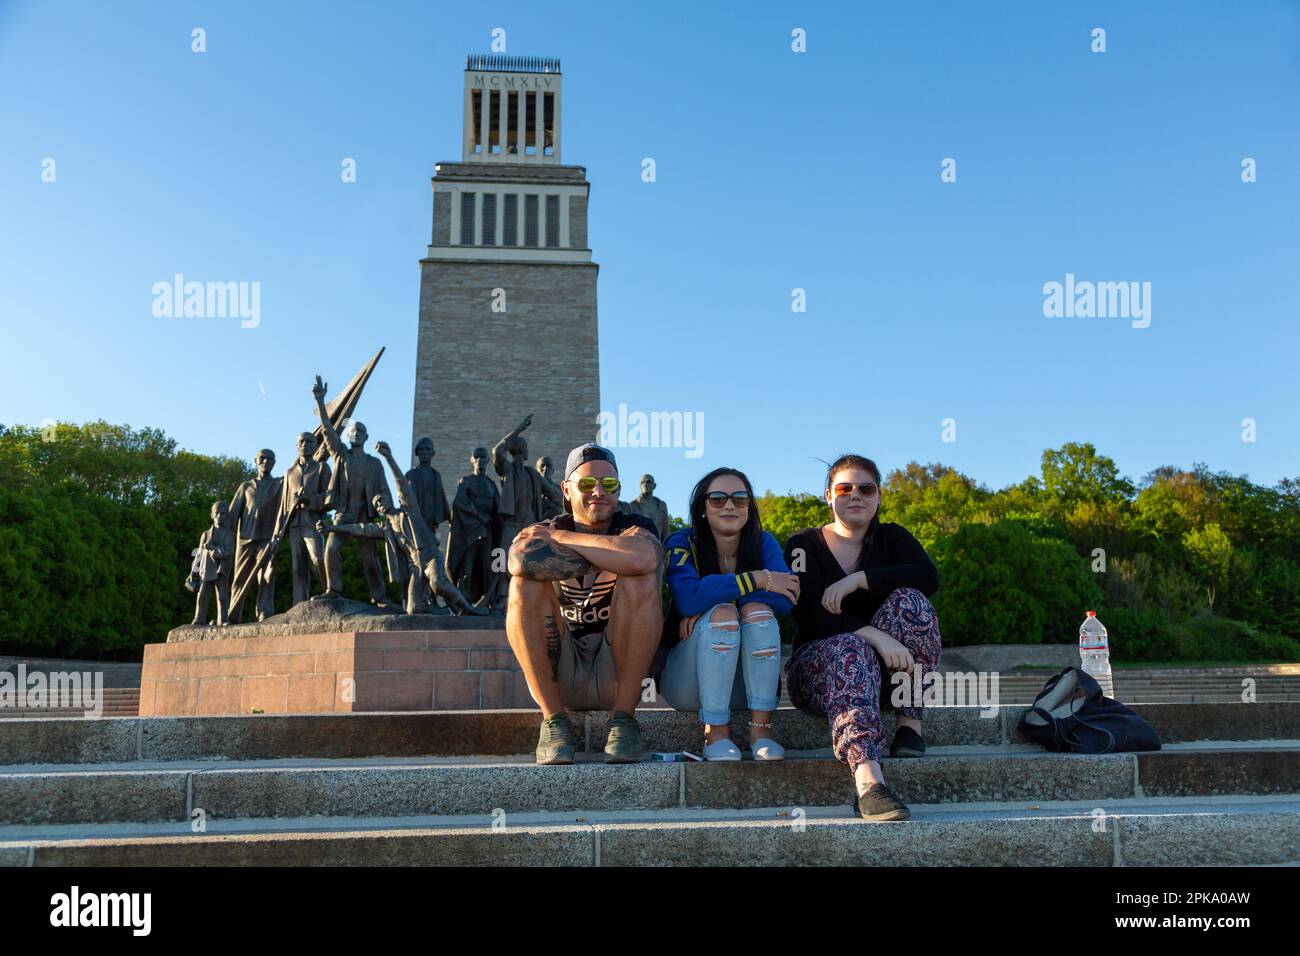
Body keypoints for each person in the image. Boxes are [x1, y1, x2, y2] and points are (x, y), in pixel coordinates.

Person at [784, 454, 941, 822]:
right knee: (851, 646)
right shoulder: (802, 546)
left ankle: (909, 726)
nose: (856, 495)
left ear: (879, 496)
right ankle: (869, 781)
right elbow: (806, 612)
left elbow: (928, 577)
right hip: (819, 674)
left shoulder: (892, 537)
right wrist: (872, 635)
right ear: (828, 495)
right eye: (845, 488)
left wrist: (860, 578)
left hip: (886, 679)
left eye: (865, 488)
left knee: (911, 602)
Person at [505, 443, 663, 765]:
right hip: (560, 671)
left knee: (641, 576)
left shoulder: (632, 527)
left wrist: (563, 541)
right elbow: (520, 560)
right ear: (566, 489)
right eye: (587, 484)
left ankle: (623, 721)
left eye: (609, 485)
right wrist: (610, 555)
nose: (598, 492)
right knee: (523, 585)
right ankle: (554, 722)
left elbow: (645, 556)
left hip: (615, 673)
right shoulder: (546, 527)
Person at [656, 468, 799, 760]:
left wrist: (717, 598)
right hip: (688, 683)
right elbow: (688, 598)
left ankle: (761, 732)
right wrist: (758, 579)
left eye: (740, 499)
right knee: (723, 614)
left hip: (748, 684)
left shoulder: (763, 541)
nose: (730, 505)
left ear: (749, 507)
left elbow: (787, 598)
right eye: (718, 499)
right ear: (703, 508)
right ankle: (715, 734)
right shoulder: (682, 542)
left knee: (754, 611)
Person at [310, 375, 395, 606]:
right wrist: (320, 401)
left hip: (365, 514)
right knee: (331, 549)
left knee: (370, 559)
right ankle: (333, 589)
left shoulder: (374, 463)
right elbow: (327, 430)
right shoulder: (341, 454)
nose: (356, 434)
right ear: (347, 436)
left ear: (366, 437)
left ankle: (380, 597)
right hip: (344, 513)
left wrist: (391, 518)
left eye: (360, 432)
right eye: (353, 431)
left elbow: (385, 491)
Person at [227, 448, 283, 623]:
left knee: (267, 578)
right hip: (245, 539)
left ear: (274, 462)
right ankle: (232, 615)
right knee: (239, 579)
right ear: (256, 461)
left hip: (267, 539)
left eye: (269, 459)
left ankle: (265, 614)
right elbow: (232, 516)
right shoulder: (246, 486)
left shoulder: (279, 485)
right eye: (262, 458)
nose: (265, 461)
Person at [281, 431, 332, 606]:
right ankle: (299, 602)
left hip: (312, 521)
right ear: (296, 446)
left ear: (315, 446)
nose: (305, 445)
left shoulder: (322, 468)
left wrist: (308, 499)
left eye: (309, 442)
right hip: (294, 523)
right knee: (297, 567)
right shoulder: (289, 472)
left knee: (318, 558)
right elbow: (284, 503)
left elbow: (329, 497)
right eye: (301, 442)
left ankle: (330, 590)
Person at [446, 447, 501, 609]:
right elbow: (460, 503)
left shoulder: (491, 484)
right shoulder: (466, 481)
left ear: (488, 460)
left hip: (487, 531)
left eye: (483, 457)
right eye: (476, 457)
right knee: (467, 567)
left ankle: (488, 602)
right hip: (470, 532)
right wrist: (479, 516)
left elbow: (497, 508)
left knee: (488, 566)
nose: (479, 460)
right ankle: (463, 602)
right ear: (472, 460)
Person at [186, 500, 235, 625]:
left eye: (223, 513)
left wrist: (213, 548)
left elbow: (228, 551)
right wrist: (193, 571)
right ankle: (198, 618)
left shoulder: (230, 535)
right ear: (212, 515)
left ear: (227, 516)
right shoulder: (206, 534)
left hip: (221, 569)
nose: (219, 516)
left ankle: (223, 619)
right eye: (217, 513)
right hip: (206, 568)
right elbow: (199, 554)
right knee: (202, 595)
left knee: (222, 597)